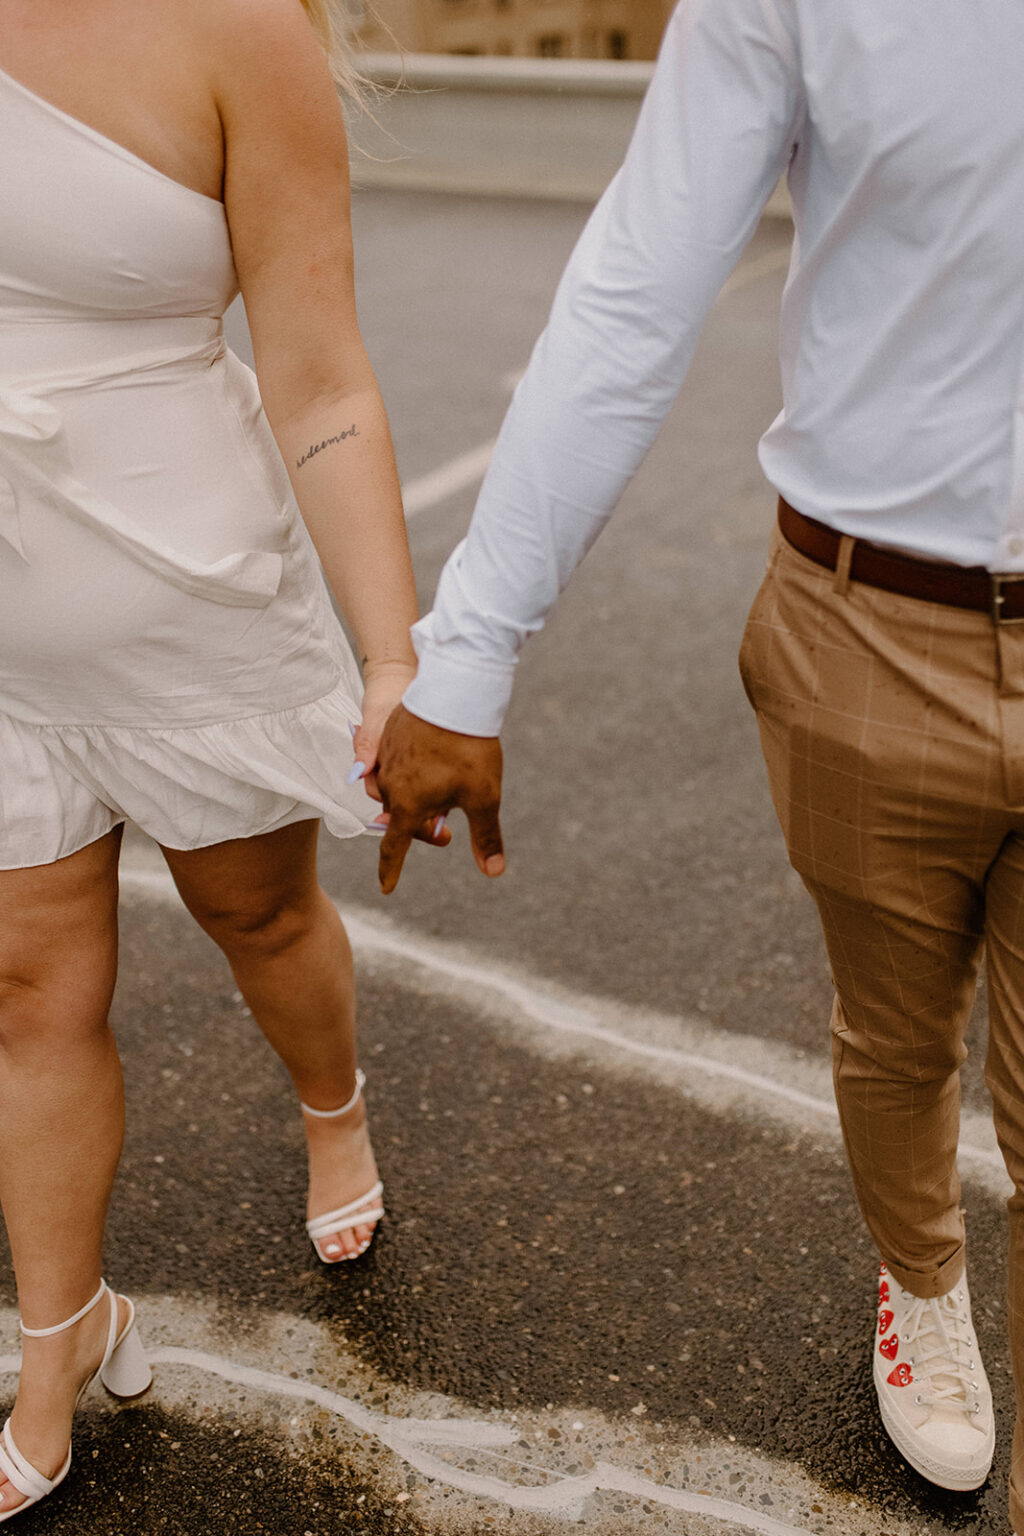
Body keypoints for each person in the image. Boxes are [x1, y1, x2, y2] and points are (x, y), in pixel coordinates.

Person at [375, 0, 1024, 1521]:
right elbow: (634, 295)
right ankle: (922, 1280)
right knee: (895, 1030)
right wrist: (467, 655)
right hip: (871, 630)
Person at [0, 0, 446, 1519]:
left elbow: (319, 376)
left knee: (256, 915)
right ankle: (63, 1337)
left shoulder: (242, 31)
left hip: (195, 610)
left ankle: (333, 1105)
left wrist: (392, 661)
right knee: (26, 993)